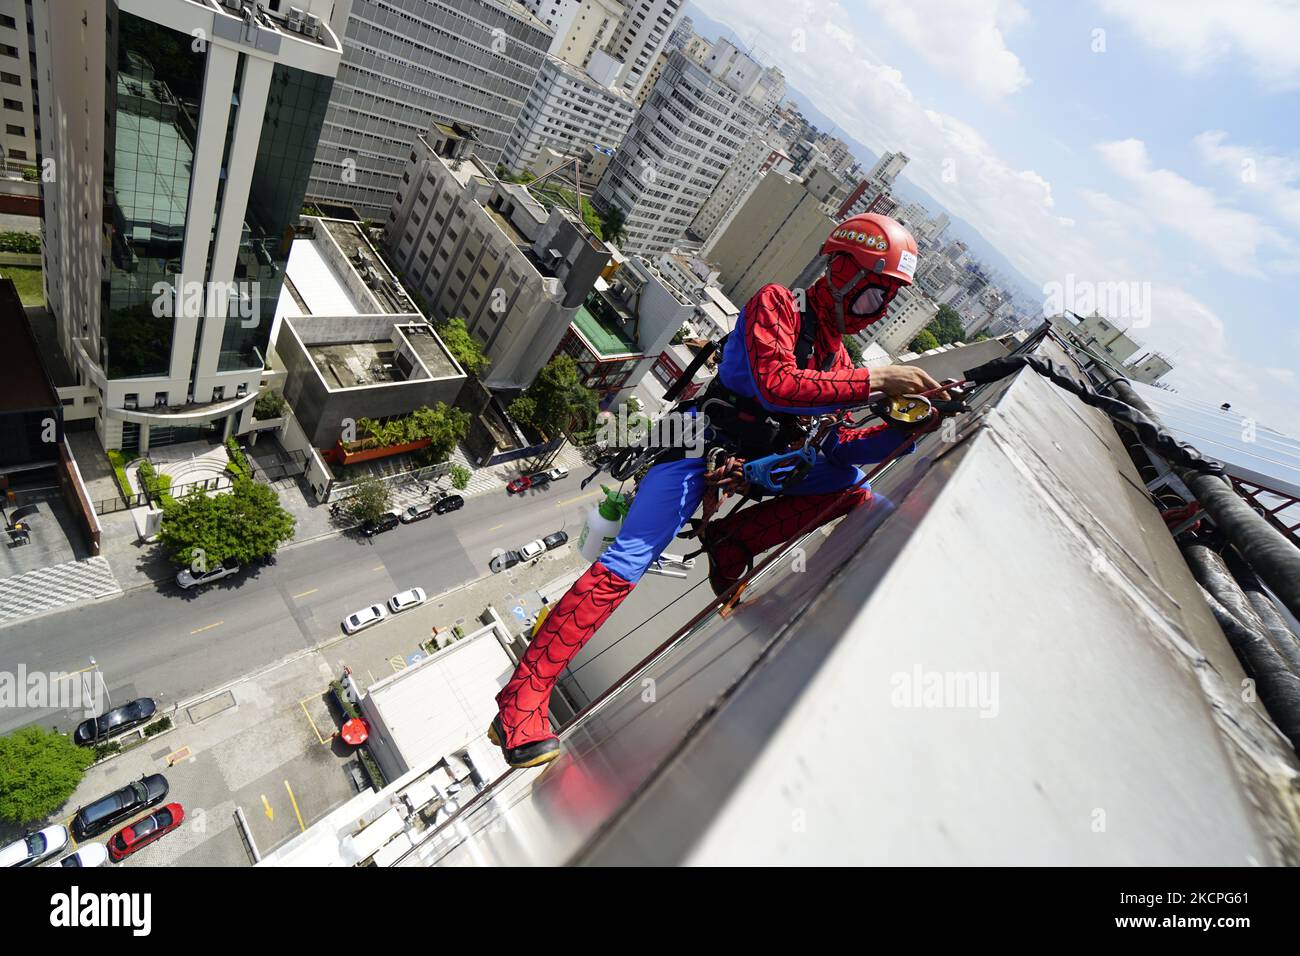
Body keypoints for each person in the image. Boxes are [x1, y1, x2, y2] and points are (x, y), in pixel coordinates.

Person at [489, 214, 947, 767]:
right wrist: (879, 381)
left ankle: (732, 543)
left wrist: (909, 425)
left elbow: (844, 445)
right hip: (697, 442)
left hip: (756, 459)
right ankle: (523, 697)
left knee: (848, 485)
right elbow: (778, 386)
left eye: (887, 302)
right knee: (628, 561)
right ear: (843, 271)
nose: (878, 311)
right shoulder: (776, 305)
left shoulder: (837, 359)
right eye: (878, 295)